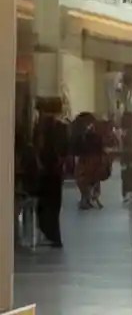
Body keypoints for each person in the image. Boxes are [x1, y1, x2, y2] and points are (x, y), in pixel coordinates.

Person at [33, 98, 69, 247]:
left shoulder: (41, 128)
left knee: (46, 204)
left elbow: (37, 148)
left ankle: (50, 233)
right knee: (53, 204)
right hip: (53, 170)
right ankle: (53, 235)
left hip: (47, 170)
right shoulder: (59, 127)